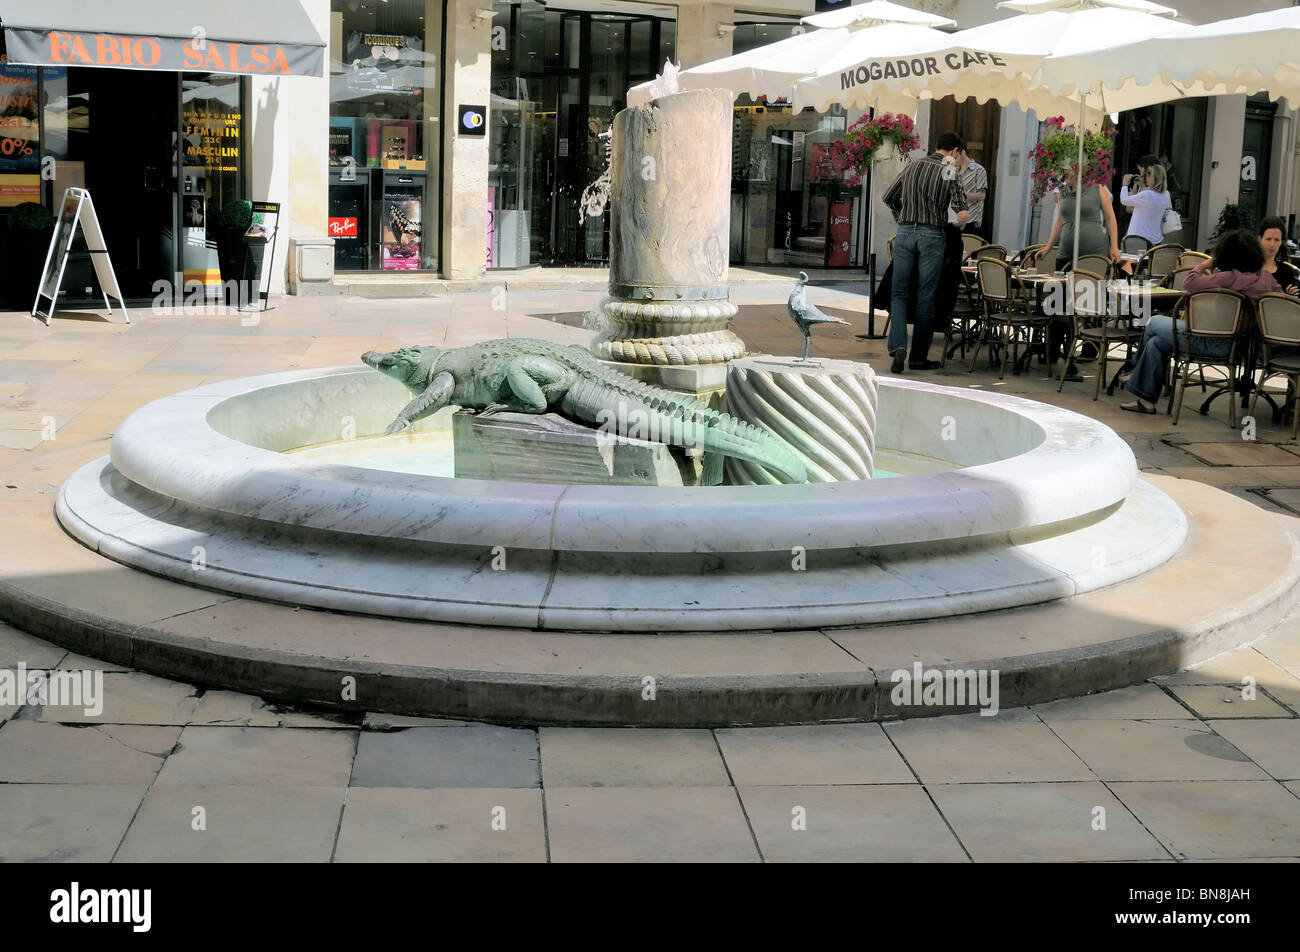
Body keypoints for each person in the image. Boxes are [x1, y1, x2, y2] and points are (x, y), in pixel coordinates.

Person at [1119, 229, 1280, 413]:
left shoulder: (1227, 278)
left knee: (1153, 322)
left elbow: (1189, 282)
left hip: (1205, 341)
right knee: (1156, 343)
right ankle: (1146, 402)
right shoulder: (1266, 279)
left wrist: (1205, 263)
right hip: (1238, 346)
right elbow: (1278, 299)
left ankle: (1133, 368)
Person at [882, 131, 968, 373]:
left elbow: (889, 197)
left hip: (906, 233)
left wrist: (904, 219)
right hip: (932, 235)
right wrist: (959, 216)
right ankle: (918, 358)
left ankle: (898, 347)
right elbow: (960, 206)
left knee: (898, 294)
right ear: (955, 152)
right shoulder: (948, 167)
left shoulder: (914, 164)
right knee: (925, 296)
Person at [1120, 163, 1172, 246]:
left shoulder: (1147, 195)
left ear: (1153, 178)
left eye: (1147, 176)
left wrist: (1125, 185)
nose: (1146, 178)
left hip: (1138, 239)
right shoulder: (1166, 194)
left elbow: (1124, 200)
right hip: (1156, 240)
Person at [1259, 216, 1300, 296]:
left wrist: (1291, 295)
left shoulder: (1286, 271)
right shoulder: (1248, 268)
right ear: (1259, 239)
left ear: (1281, 242)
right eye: (1268, 239)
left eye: (1277, 240)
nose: (1272, 244)